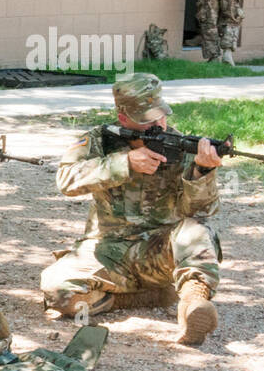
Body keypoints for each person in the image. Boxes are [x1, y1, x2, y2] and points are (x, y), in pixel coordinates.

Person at [40, 74, 221, 346]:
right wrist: (123, 163)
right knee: (57, 291)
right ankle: (148, 297)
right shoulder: (99, 142)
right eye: (148, 118)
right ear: (123, 117)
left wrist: (202, 172)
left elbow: (200, 211)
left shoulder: (180, 145)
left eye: (161, 115)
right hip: (107, 250)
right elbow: (66, 180)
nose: (159, 124)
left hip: (160, 251)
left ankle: (193, 303)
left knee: (195, 232)